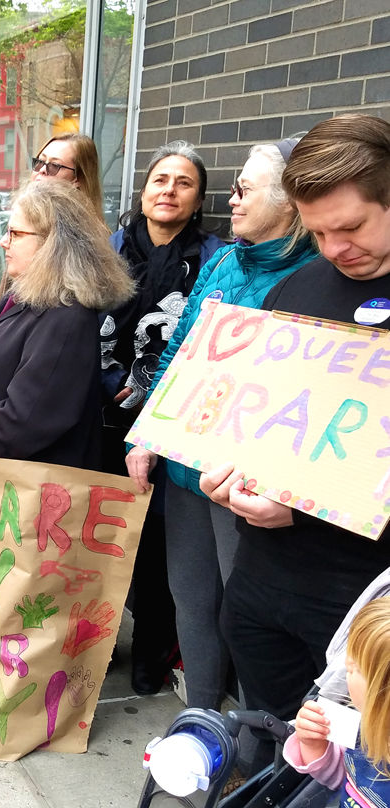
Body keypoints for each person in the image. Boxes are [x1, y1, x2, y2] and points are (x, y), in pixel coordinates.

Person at [198, 115, 390, 765]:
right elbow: (262, 416)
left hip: (367, 603)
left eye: (352, 227)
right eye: (316, 231)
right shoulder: (295, 288)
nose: (335, 248)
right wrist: (226, 469)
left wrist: (308, 502)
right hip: (264, 581)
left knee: (363, 767)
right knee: (284, 754)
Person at [125, 140, 320, 706]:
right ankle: (200, 717)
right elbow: (180, 351)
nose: (230, 201)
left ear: (289, 203)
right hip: (188, 467)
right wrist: (147, 436)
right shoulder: (224, 261)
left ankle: (256, 737)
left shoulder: (313, 277)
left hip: (249, 479)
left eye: (244, 190)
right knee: (191, 597)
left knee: (249, 613)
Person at [103, 141, 224, 698]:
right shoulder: (109, 247)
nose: (169, 190)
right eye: (160, 179)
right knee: (99, 538)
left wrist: (151, 396)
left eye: (183, 183)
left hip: (168, 421)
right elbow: (82, 321)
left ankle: (152, 649)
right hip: (100, 411)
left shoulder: (213, 258)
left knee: (155, 550)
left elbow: (203, 344)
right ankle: (96, 643)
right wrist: (111, 384)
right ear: (143, 189)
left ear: (198, 200)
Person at [0, 179, 133, 467]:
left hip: (24, 486)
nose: (3, 241)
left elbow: (27, 419)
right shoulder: (24, 295)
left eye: (15, 233)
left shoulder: (67, 317)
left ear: (52, 243)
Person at [284, 597, 390, 807]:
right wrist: (314, 745)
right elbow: (343, 778)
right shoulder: (356, 724)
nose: (347, 663)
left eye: (358, 665)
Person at [30, 133, 106, 222]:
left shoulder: (77, 230)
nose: (42, 170)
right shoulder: (21, 214)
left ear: (78, 179)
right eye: (40, 161)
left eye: (54, 165)